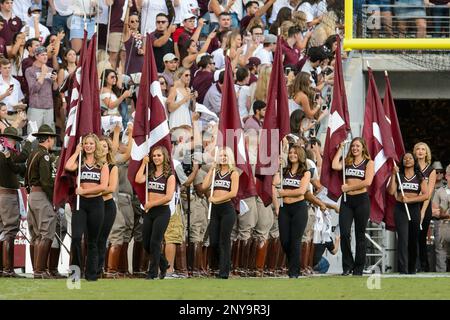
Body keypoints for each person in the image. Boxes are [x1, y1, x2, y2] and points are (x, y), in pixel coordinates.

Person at [64, 133, 109, 281]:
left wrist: (85, 191)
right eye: (86, 143)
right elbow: (68, 166)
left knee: (92, 242)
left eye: (91, 143)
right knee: (76, 238)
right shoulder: (80, 161)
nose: (88, 146)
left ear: (95, 145)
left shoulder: (103, 164)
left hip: (96, 204)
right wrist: (76, 152)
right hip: (80, 204)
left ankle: (91, 275)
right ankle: (75, 274)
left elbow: (103, 186)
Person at [332, 137, 374, 276]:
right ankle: (347, 266)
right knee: (344, 233)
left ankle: (358, 268)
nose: (355, 148)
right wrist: (340, 149)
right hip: (347, 200)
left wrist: (348, 187)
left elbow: (367, 182)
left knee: (360, 235)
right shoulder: (347, 161)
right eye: (353, 146)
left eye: (357, 146)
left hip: (361, 200)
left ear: (363, 148)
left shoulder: (369, 162)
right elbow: (334, 166)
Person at [135, 145, 176, 280]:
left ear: (165, 157)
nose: (156, 158)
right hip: (149, 212)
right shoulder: (150, 172)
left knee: (155, 242)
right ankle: (164, 263)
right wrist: (143, 164)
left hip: (162, 212)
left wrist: (152, 203)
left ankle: (152, 273)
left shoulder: (170, 176)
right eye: (154, 156)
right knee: (146, 243)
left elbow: (168, 197)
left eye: (159, 155)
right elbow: (138, 179)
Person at [272, 145, 311, 278]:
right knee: (285, 241)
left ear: (300, 155)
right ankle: (295, 264)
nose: (292, 155)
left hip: (299, 208)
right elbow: (274, 185)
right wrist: (277, 168)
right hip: (284, 209)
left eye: (295, 153)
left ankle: (293, 272)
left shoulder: (306, 172)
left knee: (295, 240)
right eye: (290, 152)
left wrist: (284, 192)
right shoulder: (284, 170)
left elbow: (301, 191)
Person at [388, 152, 429, 274]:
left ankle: (412, 269)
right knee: (403, 239)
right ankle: (403, 270)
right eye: (405, 158)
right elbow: (391, 192)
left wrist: (410, 200)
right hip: (401, 209)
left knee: (413, 239)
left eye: (410, 158)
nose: (407, 160)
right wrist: (393, 175)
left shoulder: (419, 176)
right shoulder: (399, 175)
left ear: (414, 161)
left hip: (414, 208)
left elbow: (426, 195)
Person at [202, 146, 239, 279]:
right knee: (214, 242)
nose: (223, 158)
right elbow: (204, 186)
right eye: (221, 156)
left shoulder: (233, 173)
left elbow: (233, 193)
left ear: (230, 158)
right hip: (215, 210)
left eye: (225, 156)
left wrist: (216, 199)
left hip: (227, 210)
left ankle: (223, 272)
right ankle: (224, 264)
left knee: (224, 241)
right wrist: (211, 170)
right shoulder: (215, 172)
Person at [26, 124, 58, 279]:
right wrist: (54, 199)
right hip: (41, 195)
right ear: (49, 139)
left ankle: (37, 270)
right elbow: (46, 181)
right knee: (46, 233)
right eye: (53, 139)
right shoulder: (44, 155)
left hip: (32, 194)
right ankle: (40, 271)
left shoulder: (33, 153)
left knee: (36, 235)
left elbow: (26, 178)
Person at [0, 126, 30, 277]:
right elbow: (23, 156)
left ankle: (2, 268)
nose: (13, 143)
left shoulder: (6, 153)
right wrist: (30, 142)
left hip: (2, 194)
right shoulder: (7, 153)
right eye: (12, 140)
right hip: (7, 195)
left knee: (2, 231)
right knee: (10, 231)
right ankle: (7, 269)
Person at [97, 136, 119, 277]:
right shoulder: (92, 166)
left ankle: (99, 269)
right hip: (93, 205)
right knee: (91, 238)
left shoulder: (112, 167)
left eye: (105, 146)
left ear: (109, 149)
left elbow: (111, 188)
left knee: (101, 238)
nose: (102, 148)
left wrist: (91, 190)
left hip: (107, 206)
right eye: (100, 146)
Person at [414, 142, 437, 272]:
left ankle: (424, 266)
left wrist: (422, 212)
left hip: (424, 206)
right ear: (414, 152)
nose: (421, 151)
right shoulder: (410, 168)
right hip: (412, 205)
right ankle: (412, 265)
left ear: (427, 153)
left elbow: (428, 194)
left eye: (423, 149)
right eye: (418, 149)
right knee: (411, 236)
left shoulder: (431, 170)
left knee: (421, 237)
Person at [25, 46, 58, 133]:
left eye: (46, 55)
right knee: (33, 134)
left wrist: (55, 81)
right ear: (36, 56)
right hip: (36, 107)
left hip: (49, 107)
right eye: (42, 55)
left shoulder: (50, 70)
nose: (45, 57)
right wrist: (43, 74)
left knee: (48, 135)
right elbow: (33, 90)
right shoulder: (30, 71)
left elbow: (55, 89)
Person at [433, 164, 450, 272]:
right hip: (442, 225)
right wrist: (443, 214)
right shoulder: (439, 191)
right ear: (447, 176)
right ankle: (440, 276)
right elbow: (434, 211)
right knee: (441, 252)